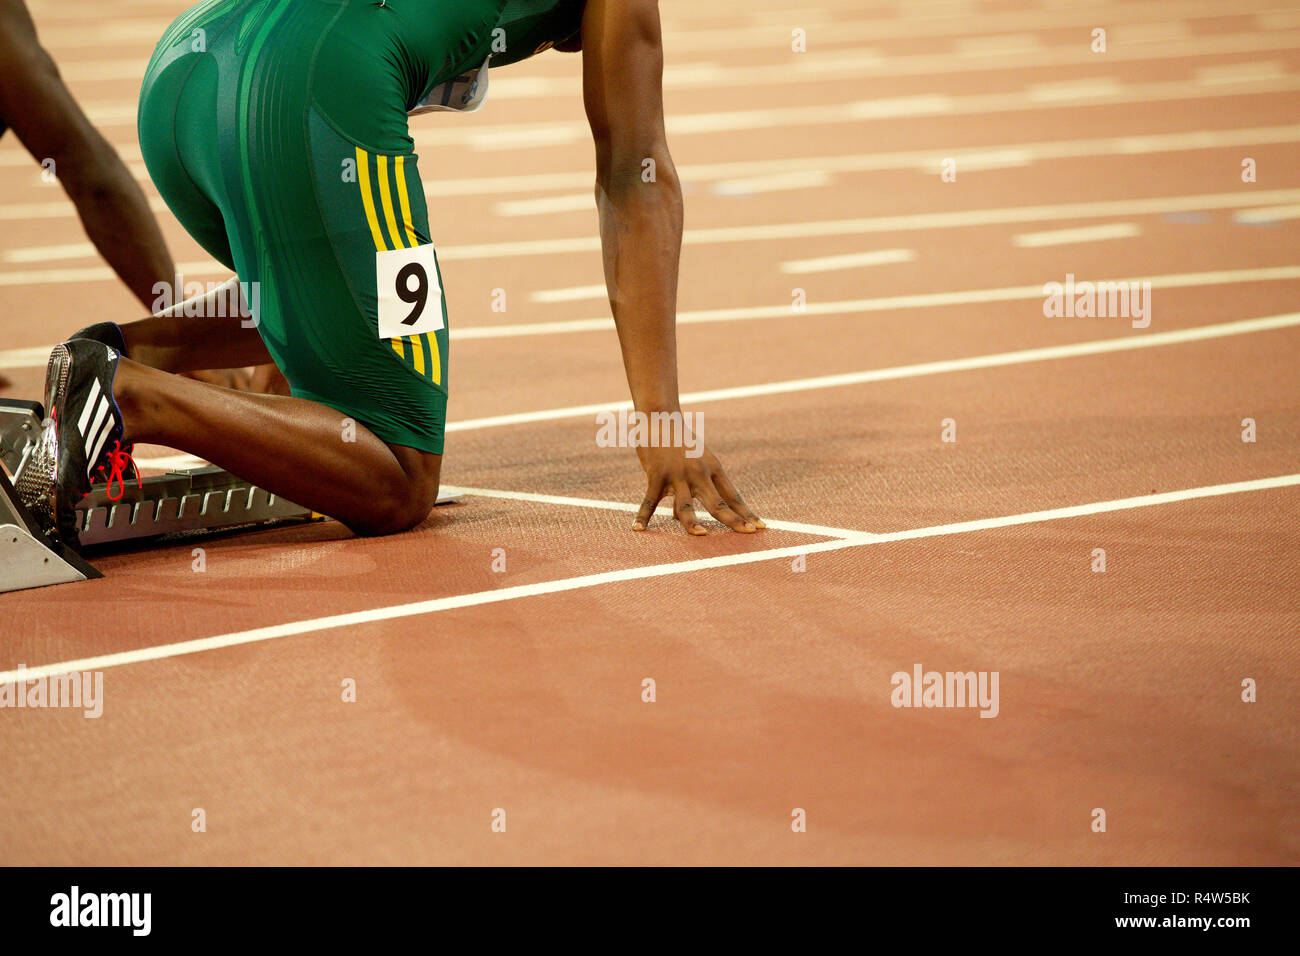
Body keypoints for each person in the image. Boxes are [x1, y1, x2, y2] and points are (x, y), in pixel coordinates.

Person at [18, 0, 764, 543]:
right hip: (307, 82)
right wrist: (661, 414)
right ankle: (124, 392)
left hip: (188, 71)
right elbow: (637, 179)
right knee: (400, 474)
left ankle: (121, 351)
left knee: (347, 299)